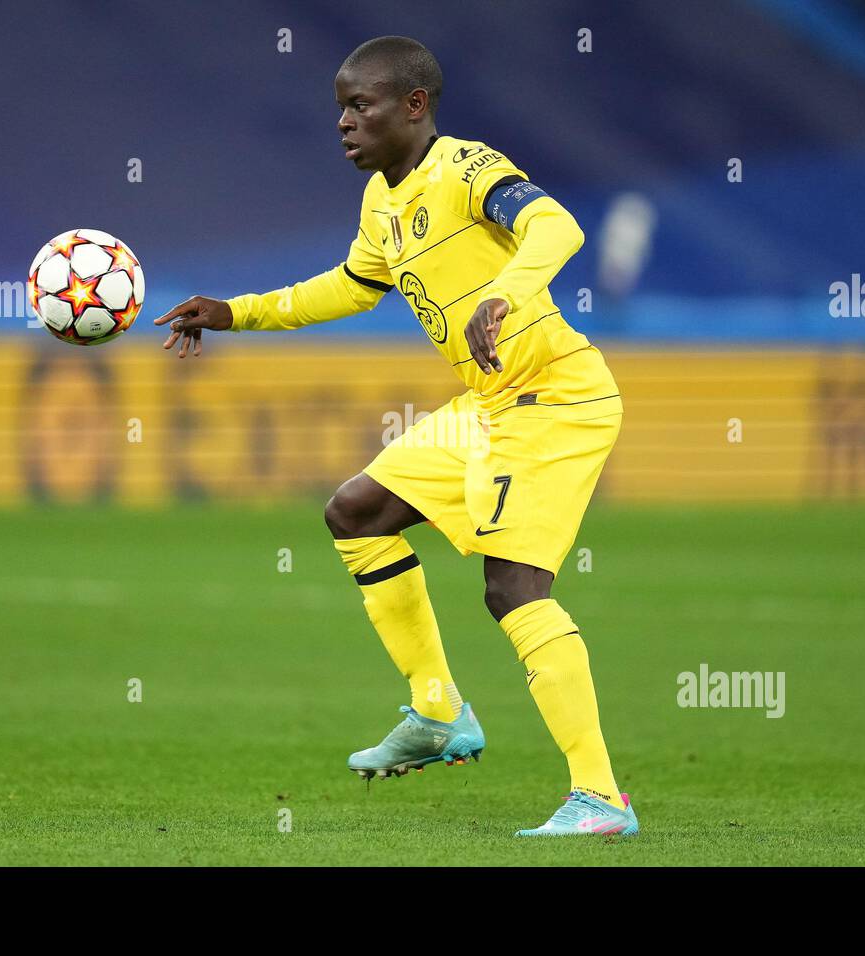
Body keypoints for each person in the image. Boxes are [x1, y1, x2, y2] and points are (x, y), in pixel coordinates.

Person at [155, 36, 636, 837]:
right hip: (490, 400)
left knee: (513, 589)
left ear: (414, 106)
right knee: (357, 512)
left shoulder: (467, 168)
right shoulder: (382, 199)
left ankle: (601, 799)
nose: (344, 122)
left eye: (360, 105)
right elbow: (350, 286)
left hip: (553, 397)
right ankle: (439, 711)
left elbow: (556, 227)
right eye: (340, 107)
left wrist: (504, 296)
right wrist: (236, 311)